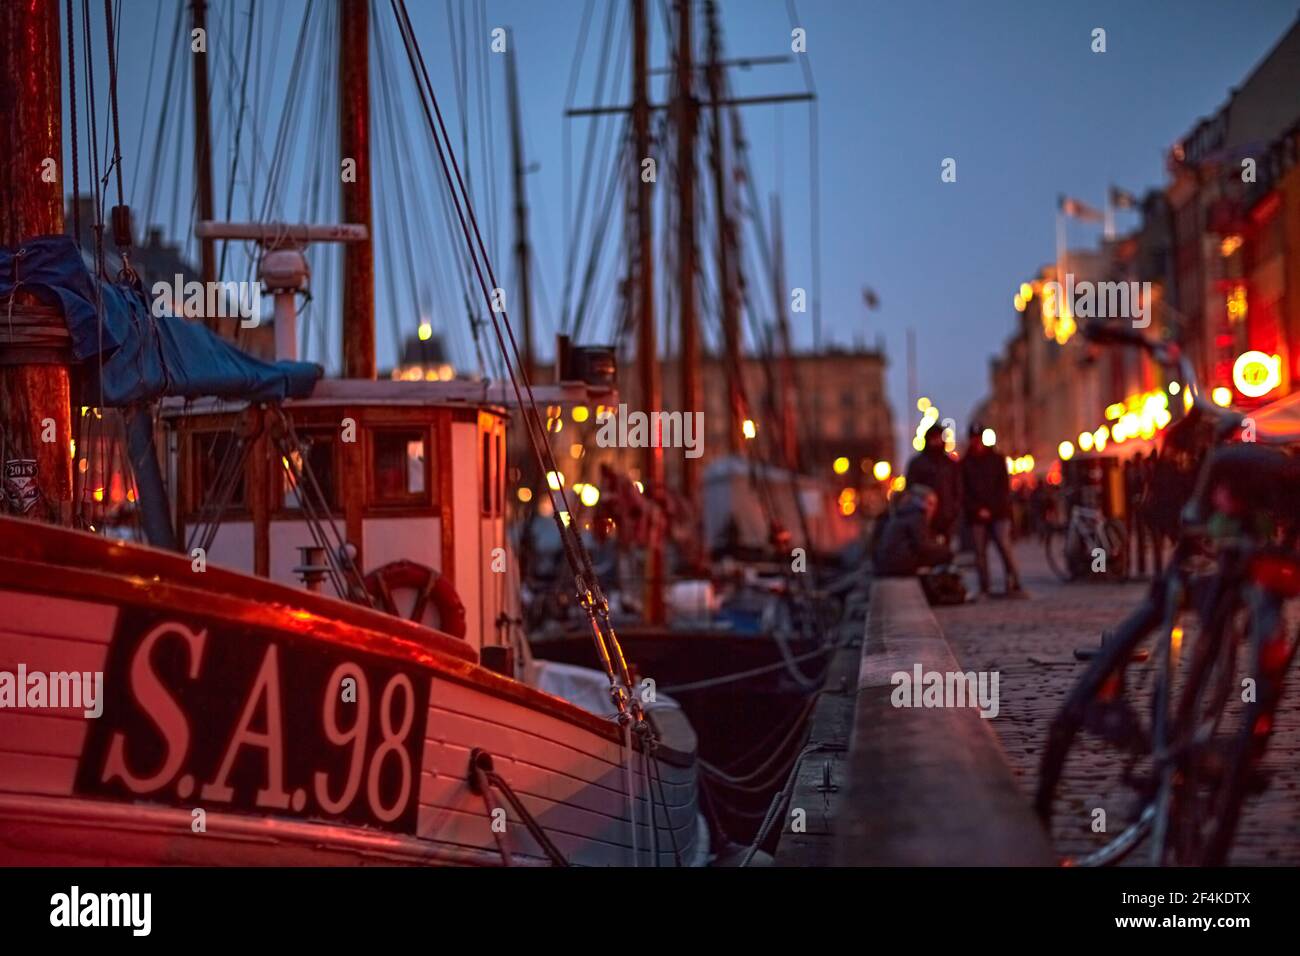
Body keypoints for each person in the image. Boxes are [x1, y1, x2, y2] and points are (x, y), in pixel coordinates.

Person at [960, 423, 1025, 597]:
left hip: (999, 512)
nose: (976, 442)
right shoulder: (965, 463)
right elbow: (963, 491)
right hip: (976, 515)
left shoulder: (997, 459)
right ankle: (984, 586)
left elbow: (1003, 488)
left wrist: (992, 508)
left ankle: (1014, 582)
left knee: (1004, 547)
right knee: (979, 553)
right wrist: (977, 509)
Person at [873, 485, 954, 576]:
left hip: (886, 564)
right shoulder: (916, 515)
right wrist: (945, 550)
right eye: (930, 503)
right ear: (921, 502)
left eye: (934, 505)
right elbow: (922, 546)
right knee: (945, 554)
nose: (932, 509)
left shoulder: (904, 513)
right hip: (898, 564)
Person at [905, 421, 961, 541]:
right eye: (933, 438)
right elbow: (910, 488)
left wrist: (955, 509)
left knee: (946, 551)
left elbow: (958, 487)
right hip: (924, 516)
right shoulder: (917, 463)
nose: (936, 441)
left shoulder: (950, 464)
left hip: (947, 517)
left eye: (938, 438)